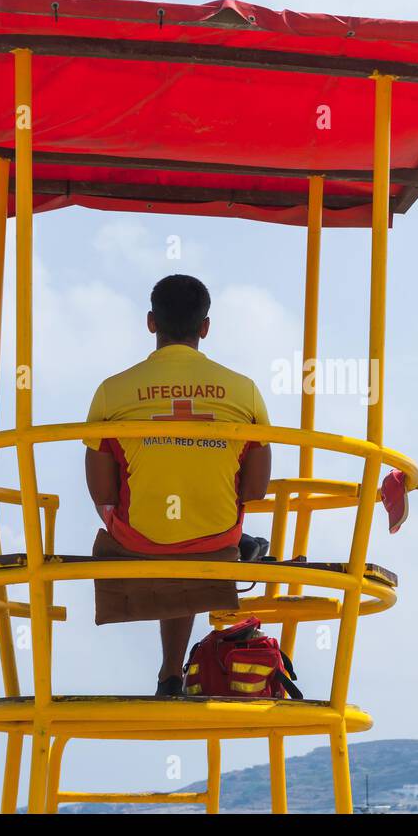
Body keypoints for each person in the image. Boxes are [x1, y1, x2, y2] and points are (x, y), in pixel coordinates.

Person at [83, 275, 272, 696]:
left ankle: (171, 673)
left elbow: (102, 492)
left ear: (151, 322)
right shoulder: (246, 391)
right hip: (216, 536)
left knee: (160, 519)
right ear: (205, 327)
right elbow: (256, 489)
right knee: (193, 527)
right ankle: (171, 671)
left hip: (137, 538)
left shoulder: (112, 391)